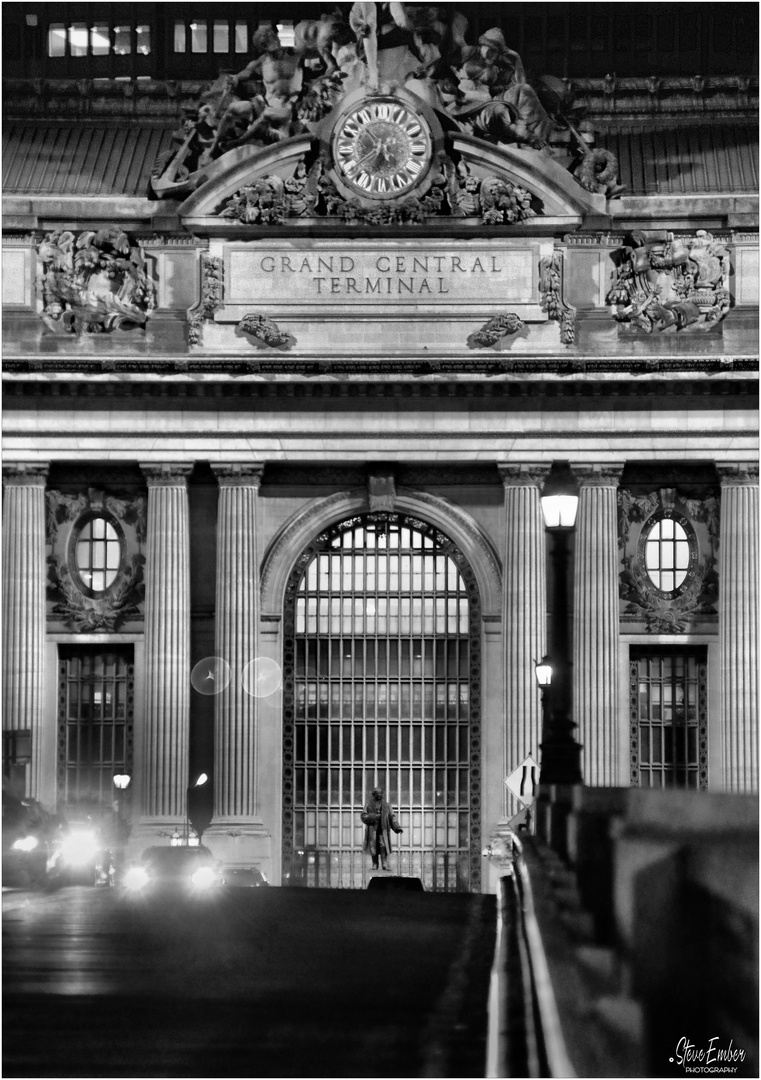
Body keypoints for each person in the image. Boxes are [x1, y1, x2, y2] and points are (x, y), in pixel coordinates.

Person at [361, 786, 403, 871]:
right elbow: (363, 816)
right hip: (372, 830)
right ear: (374, 795)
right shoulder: (368, 805)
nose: (379, 795)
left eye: (381, 793)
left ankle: (384, 863)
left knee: (383, 845)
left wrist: (397, 827)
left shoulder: (387, 805)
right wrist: (375, 816)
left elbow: (392, 817)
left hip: (383, 830)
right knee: (373, 846)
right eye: (377, 793)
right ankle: (375, 864)